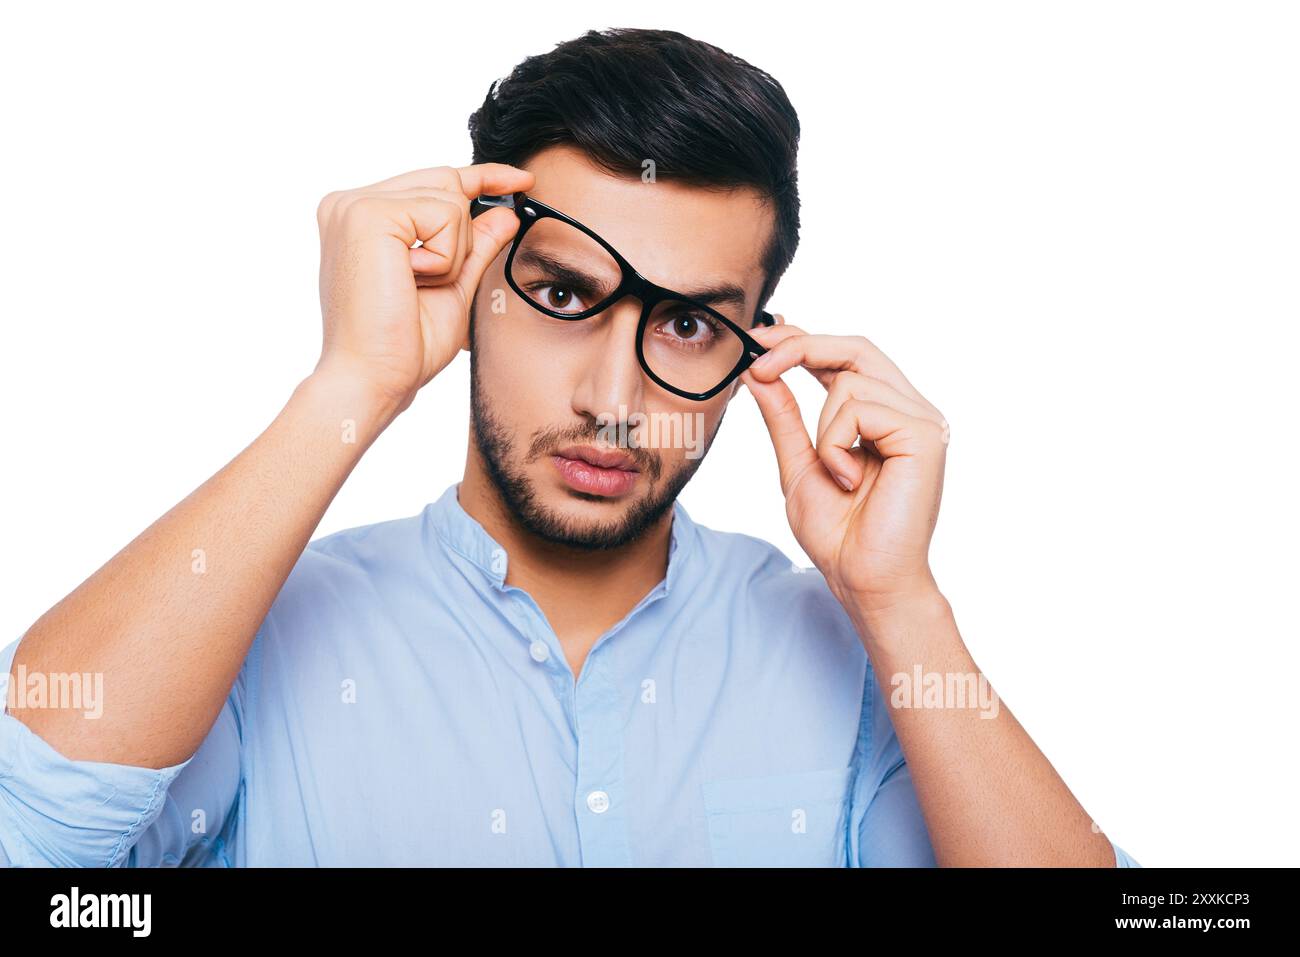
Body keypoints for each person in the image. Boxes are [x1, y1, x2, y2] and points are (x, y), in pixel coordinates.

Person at [0, 27, 1137, 867]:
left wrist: (901, 604)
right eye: (559, 292)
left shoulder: (849, 664)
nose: (612, 398)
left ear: (762, 346)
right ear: (473, 283)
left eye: (688, 323)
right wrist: (351, 383)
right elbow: (32, 829)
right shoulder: (255, 632)